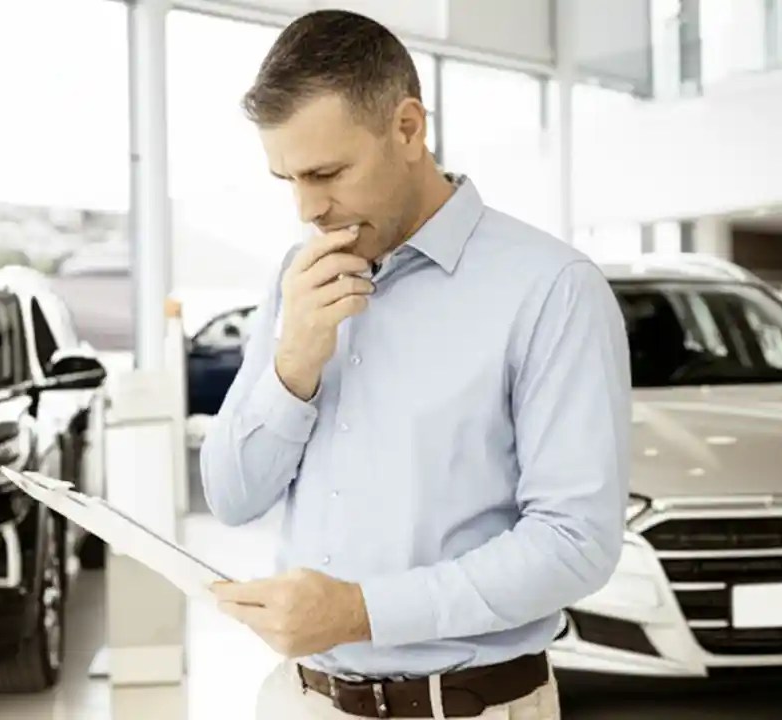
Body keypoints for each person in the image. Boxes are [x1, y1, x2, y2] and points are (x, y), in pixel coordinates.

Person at [199, 9, 631, 719]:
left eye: (328, 172)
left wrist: (360, 612)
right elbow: (231, 497)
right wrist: (292, 364)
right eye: (287, 179)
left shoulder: (552, 290)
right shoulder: (298, 278)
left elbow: (575, 544)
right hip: (300, 700)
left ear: (407, 128)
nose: (309, 208)